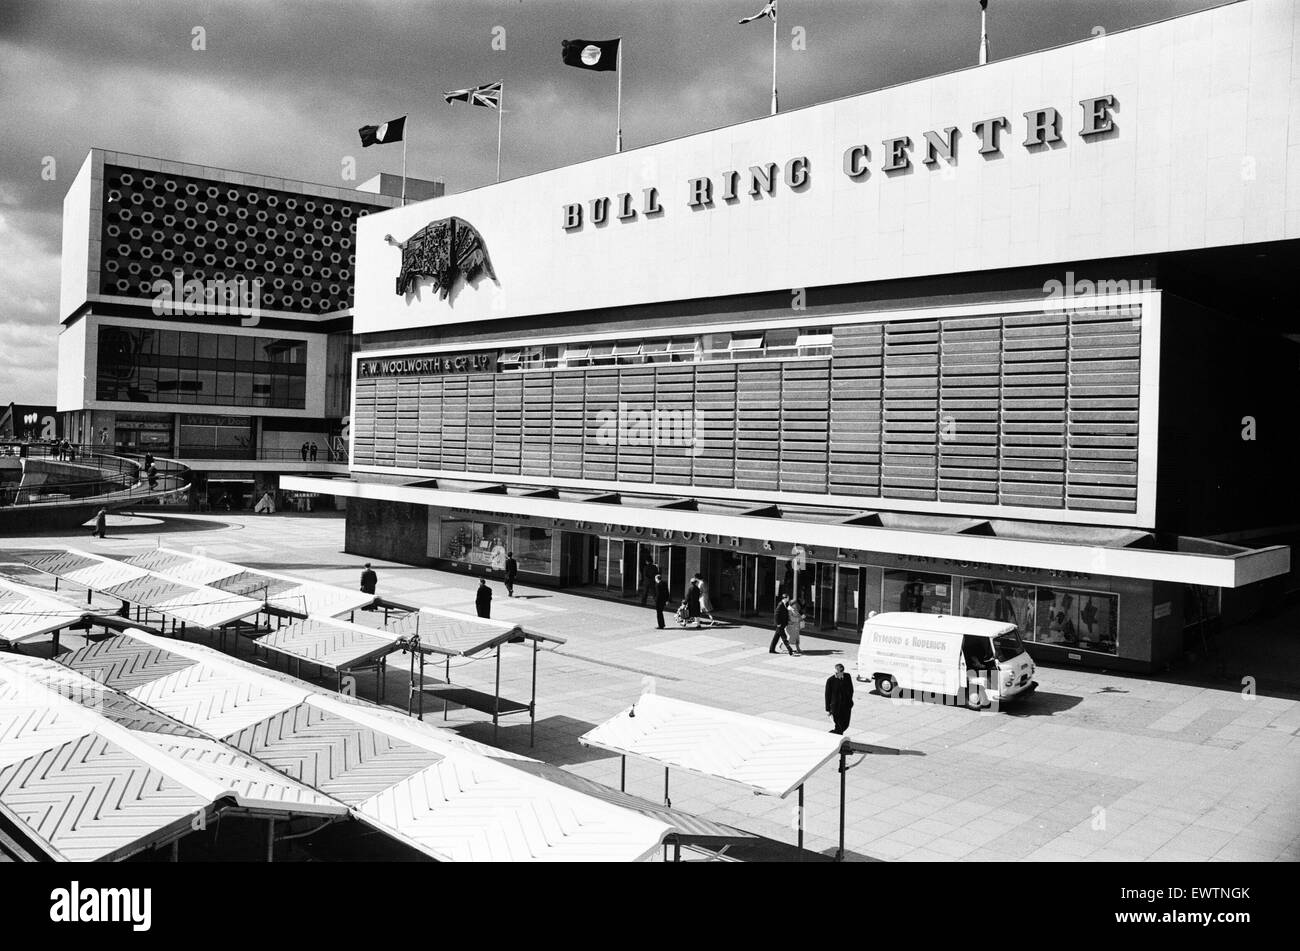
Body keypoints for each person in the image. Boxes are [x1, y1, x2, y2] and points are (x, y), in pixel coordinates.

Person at [825, 663, 854, 735]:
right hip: (836, 707)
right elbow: (827, 695)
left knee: (846, 724)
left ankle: (836, 733)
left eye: (837, 673)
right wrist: (828, 709)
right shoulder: (830, 680)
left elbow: (851, 689)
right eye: (834, 672)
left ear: (842, 672)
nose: (835, 674)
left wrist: (849, 700)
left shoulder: (847, 676)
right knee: (838, 725)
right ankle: (837, 736)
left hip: (846, 706)